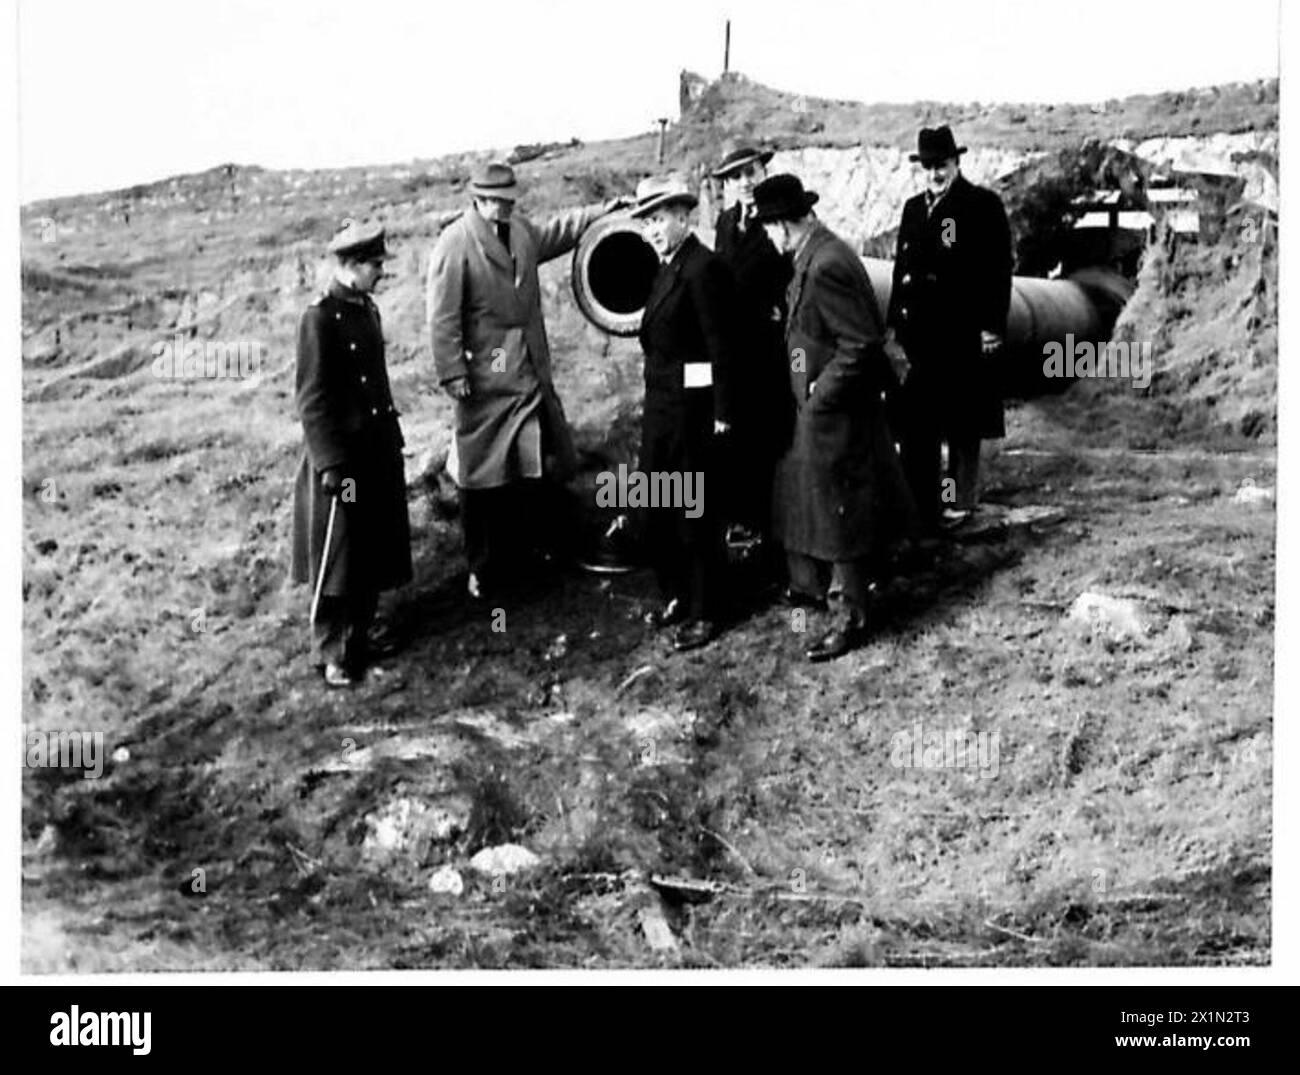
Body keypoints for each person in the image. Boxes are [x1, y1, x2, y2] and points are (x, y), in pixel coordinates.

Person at [426, 161, 627, 598]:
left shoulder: (518, 231)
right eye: (496, 201)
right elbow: (442, 320)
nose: (504, 207)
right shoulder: (455, 243)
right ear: (478, 199)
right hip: (486, 378)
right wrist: (453, 372)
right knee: (482, 478)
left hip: (529, 369)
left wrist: (603, 210)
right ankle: (483, 568)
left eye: (508, 199)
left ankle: (534, 550)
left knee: (531, 465)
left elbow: (557, 231)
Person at [754, 174, 916, 662]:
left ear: (785, 224)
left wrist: (821, 394)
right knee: (823, 504)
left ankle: (850, 616)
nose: (768, 237)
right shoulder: (814, 255)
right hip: (819, 406)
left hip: (836, 411)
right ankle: (824, 591)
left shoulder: (826, 264)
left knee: (838, 509)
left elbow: (861, 342)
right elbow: (810, 334)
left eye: (769, 227)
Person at [291, 220, 412, 688]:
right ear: (349, 265)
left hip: (377, 449)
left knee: (372, 552)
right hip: (343, 459)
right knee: (338, 558)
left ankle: (359, 638)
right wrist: (330, 464)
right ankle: (331, 653)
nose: (381, 271)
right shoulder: (318, 318)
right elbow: (312, 399)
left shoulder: (368, 308)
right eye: (374, 264)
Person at [885, 126, 1013, 531]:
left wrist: (991, 326)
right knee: (920, 420)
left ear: (956, 163)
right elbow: (901, 271)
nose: (935, 174)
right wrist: (893, 326)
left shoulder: (980, 205)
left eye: (942, 165)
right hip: (919, 333)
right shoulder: (912, 210)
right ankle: (924, 502)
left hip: (960, 330)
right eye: (929, 167)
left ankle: (959, 499)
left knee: (962, 419)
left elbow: (998, 270)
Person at [632, 174, 738, 652]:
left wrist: (722, 411)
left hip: (692, 414)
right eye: (648, 222)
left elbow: (722, 345)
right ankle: (676, 594)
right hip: (661, 411)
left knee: (696, 510)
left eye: (660, 219)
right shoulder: (665, 267)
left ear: (683, 216)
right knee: (660, 504)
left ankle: (706, 609)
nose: (654, 230)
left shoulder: (702, 268)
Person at [711, 145, 792, 563]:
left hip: (768, 352)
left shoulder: (780, 218)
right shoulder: (727, 223)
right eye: (735, 176)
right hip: (732, 354)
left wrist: (777, 310)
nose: (745, 181)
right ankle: (744, 532)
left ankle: (771, 539)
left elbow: (793, 277)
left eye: (751, 172)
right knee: (736, 445)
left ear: (763, 172)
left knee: (768, 444)